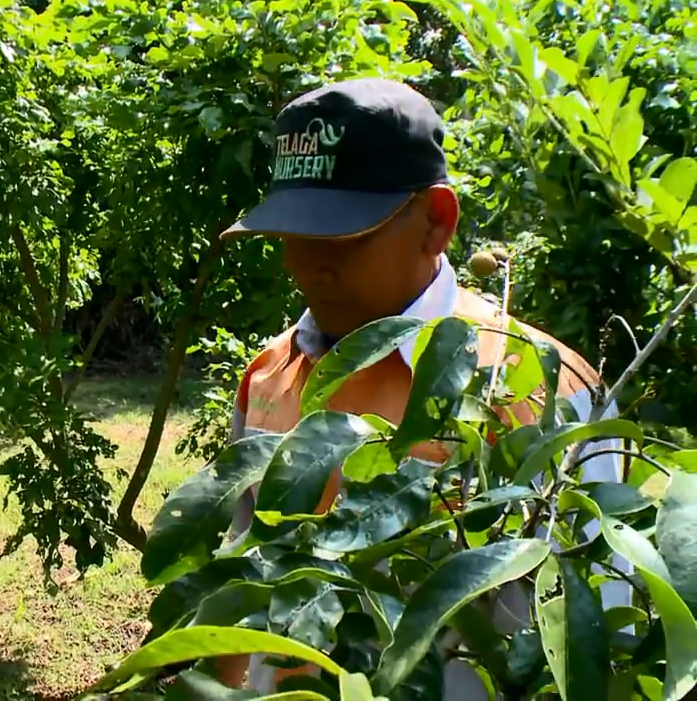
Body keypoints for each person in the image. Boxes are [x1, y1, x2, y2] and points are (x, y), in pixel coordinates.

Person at [211, 77, 629, 696]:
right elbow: (240, 577)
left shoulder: (547, 394)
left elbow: (593, 638)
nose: (309, 263)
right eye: (293, 235)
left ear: (435, 223)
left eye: (344, 235)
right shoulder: (269, 376)